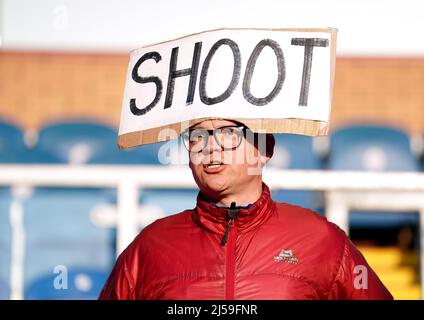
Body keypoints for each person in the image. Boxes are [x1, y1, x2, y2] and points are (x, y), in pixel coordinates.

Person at [99, 118, 393, 300]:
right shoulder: (150, 245)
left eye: (228, 133)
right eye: (197, 136)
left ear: (264, 150)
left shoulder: (321, 239)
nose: (209, 147)